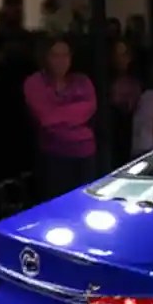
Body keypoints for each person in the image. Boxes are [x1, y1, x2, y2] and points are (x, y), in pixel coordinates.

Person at [23, 38, 97, 200]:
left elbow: (90, 107)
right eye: (55, 55)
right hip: (52, 157)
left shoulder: (82, 81)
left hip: (85, 156)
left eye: (65, 55)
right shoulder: (34, 82)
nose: (61, 61)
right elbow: (46, 117)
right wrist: (77, 122)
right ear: (45, 58)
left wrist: (59, 114)